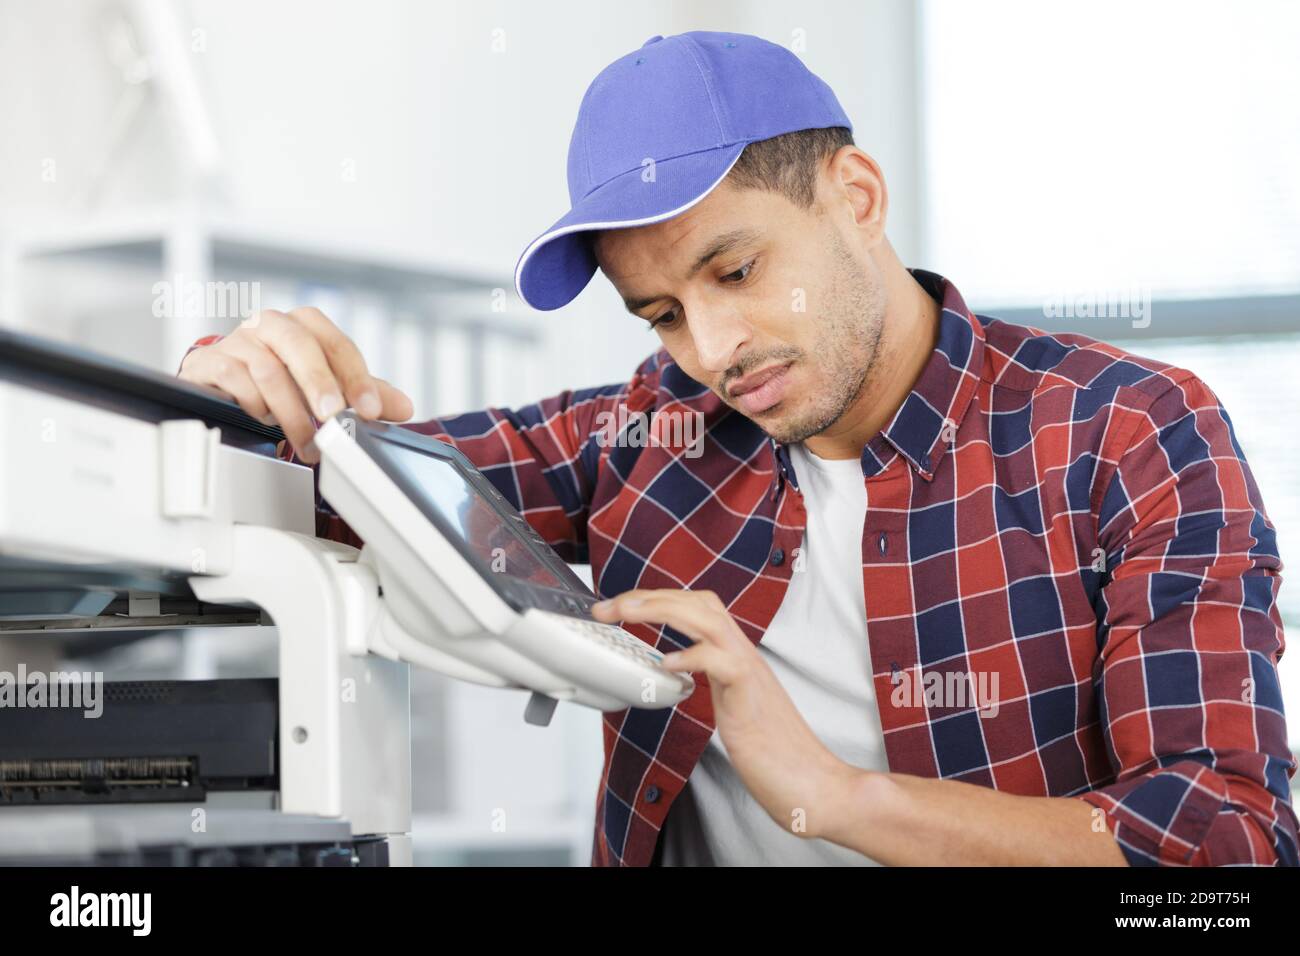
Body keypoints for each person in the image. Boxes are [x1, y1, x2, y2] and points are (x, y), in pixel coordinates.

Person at [178, 31, 1297, 866]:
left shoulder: (1126, 427)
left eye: (735, 271)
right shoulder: (649, 429)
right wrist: (239, 386)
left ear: (854, 195)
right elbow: (311, 496)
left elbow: (1225, 846)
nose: (712, 349)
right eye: (660, 312)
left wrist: (832, 793)